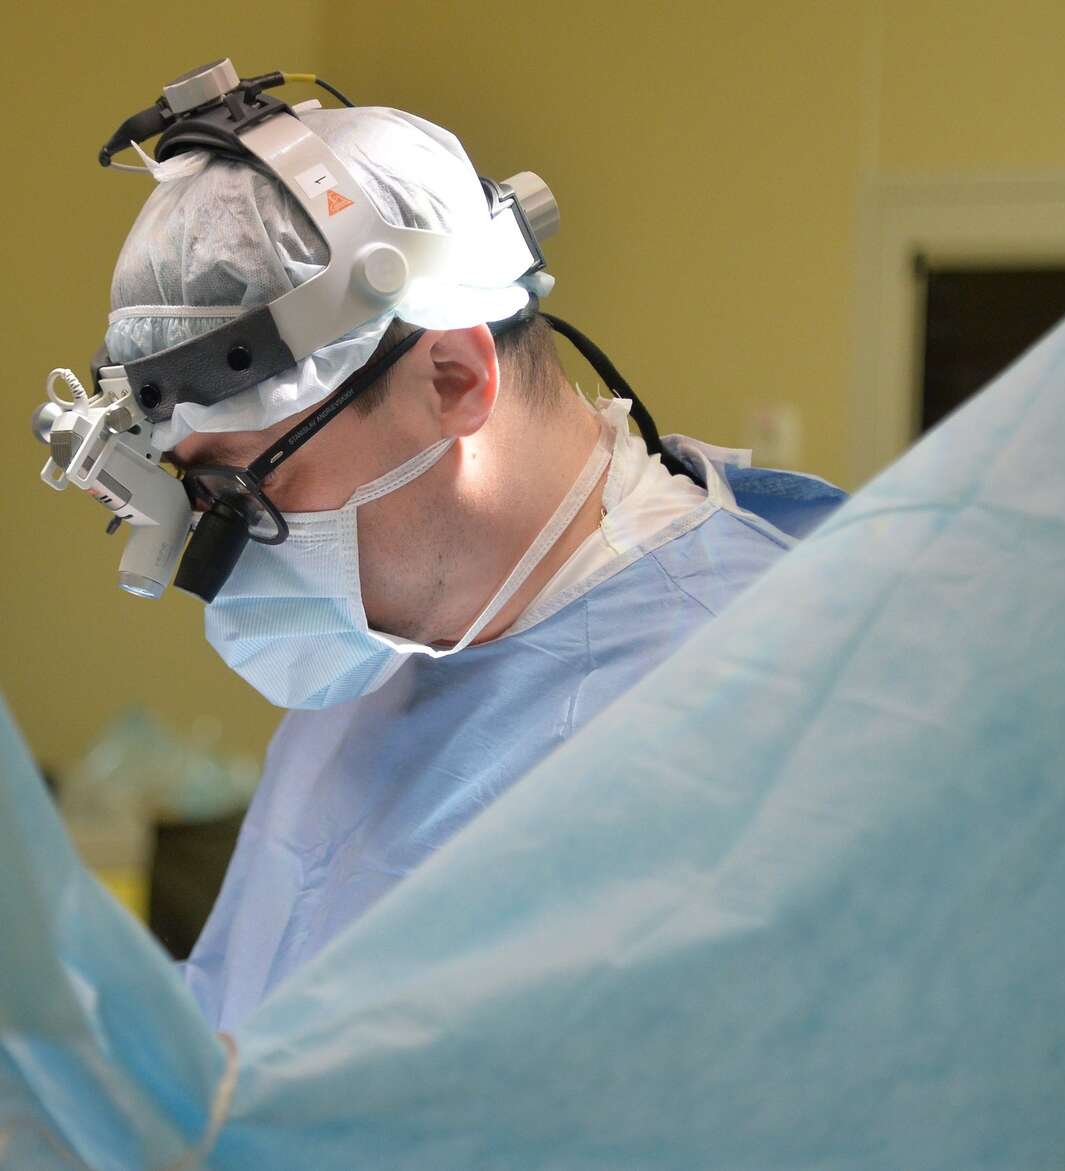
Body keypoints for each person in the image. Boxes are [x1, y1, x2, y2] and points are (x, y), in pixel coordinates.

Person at [95, 100, 843, 1031]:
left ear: (452, 376)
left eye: (245, 486)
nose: (224, 555)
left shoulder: (756, 705)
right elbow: (249, 1017)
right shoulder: (383, 654)